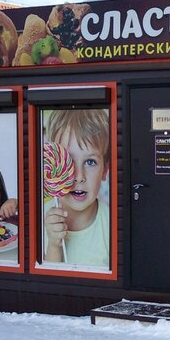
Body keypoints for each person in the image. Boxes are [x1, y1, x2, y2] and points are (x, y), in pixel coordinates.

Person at [42, 109, 110, 266]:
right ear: (53, 165)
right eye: (69, 161)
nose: (79, 176)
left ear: (105, 170)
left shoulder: (112, 226)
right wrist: (54, 244)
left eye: (90, 162)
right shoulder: (39, 219)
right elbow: (48, 285)